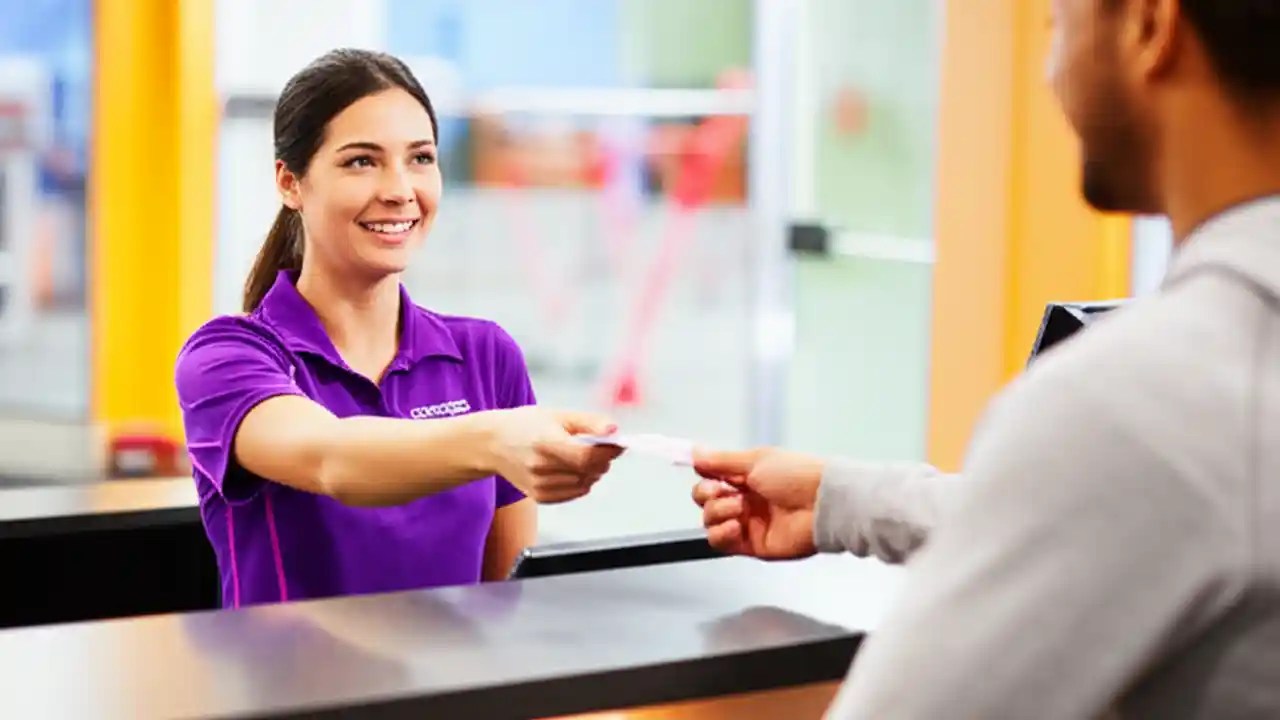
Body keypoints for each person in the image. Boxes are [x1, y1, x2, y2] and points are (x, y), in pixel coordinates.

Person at [693, 1, 1280, 717]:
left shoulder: (1136, 405)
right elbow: (1123, 519)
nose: (1051, 75)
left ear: (1150, 27)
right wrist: (840, 501)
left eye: (1057, 26)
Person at [175, 49, 622, 609]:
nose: (399, 189)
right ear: (290, 183)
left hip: (455, 668)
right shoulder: (226, 357)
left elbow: (506, 604)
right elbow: (333, 460)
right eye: (362, 161)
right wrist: (494, 440)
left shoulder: (485, 354)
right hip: (289, 670)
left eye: (420, 158)